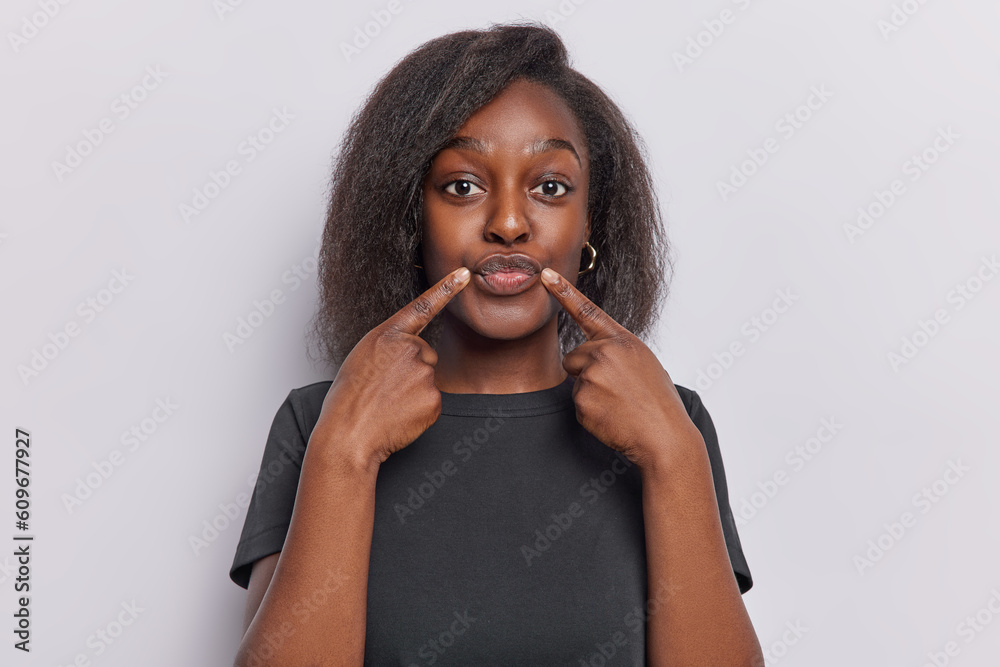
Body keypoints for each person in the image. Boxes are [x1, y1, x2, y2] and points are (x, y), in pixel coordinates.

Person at [229, 22, 763, 666]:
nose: (509, 223)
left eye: (550, 187)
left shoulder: (674, 423)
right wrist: (346, 451)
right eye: (462, 186)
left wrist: (674, 456)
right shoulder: (315, 422)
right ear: (410, 216)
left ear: (591, 219)